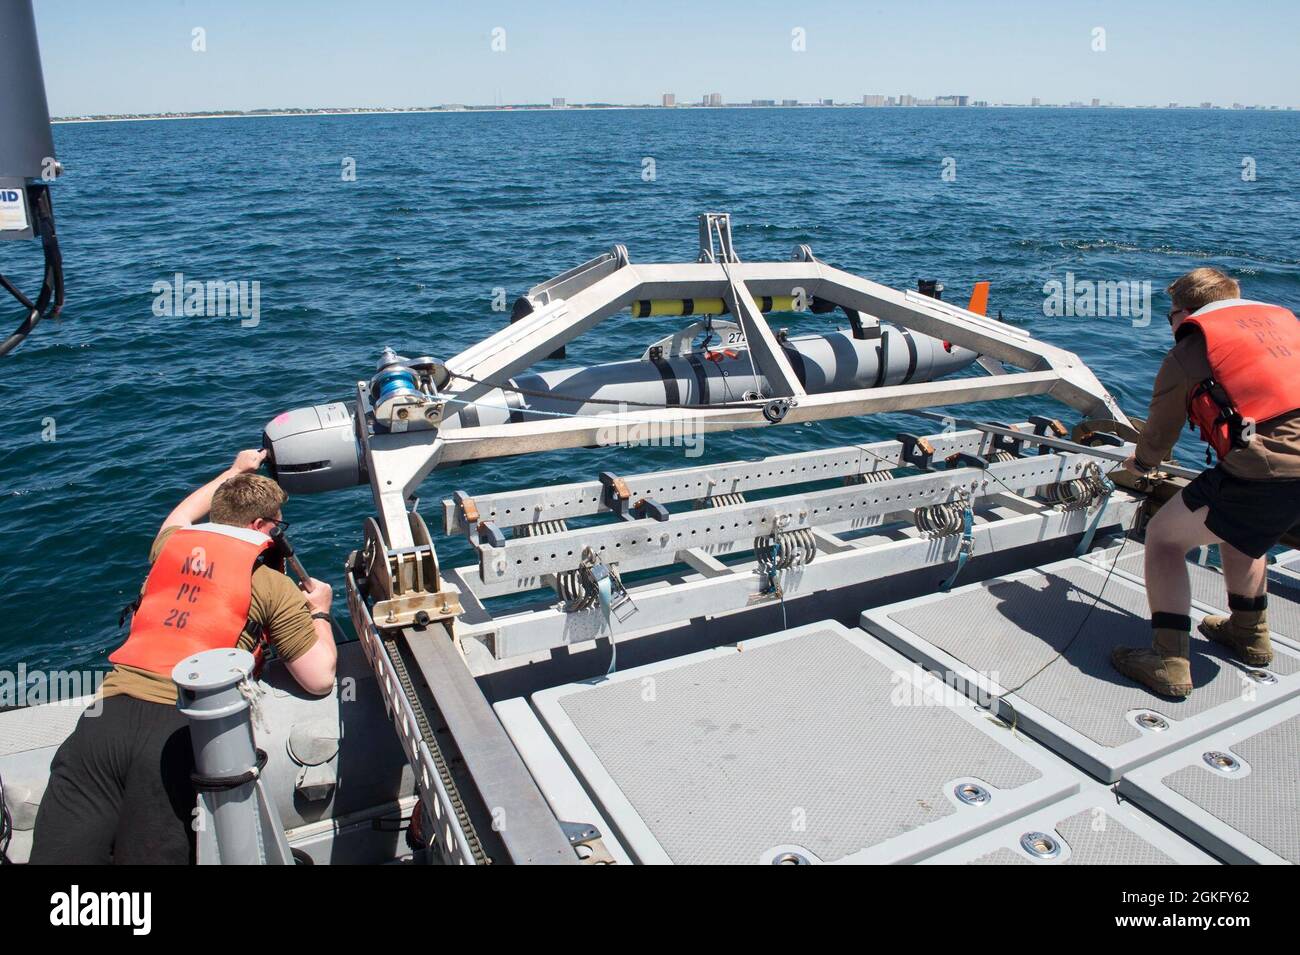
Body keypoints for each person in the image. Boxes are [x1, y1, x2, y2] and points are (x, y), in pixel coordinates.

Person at [30, 449, 338, 864]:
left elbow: (183, 514)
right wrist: (319, 611)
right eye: (276, 525)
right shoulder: (270, 584)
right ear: (260, 527)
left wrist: (235, 470)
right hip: (180, 731)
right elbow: (318, 678)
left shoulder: (170, 546)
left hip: (103, 721)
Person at [1112, 268, 1300, 697]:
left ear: (1186, 312)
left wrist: (1140, 464)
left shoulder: (1190, 352)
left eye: (1171, 315)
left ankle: (1168, 661)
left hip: (1269, 474)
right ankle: (1250, 635)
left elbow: (1160, 434)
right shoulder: (1283, 329)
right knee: (1242, 532)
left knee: (1164, 538)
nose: (1171, 324)